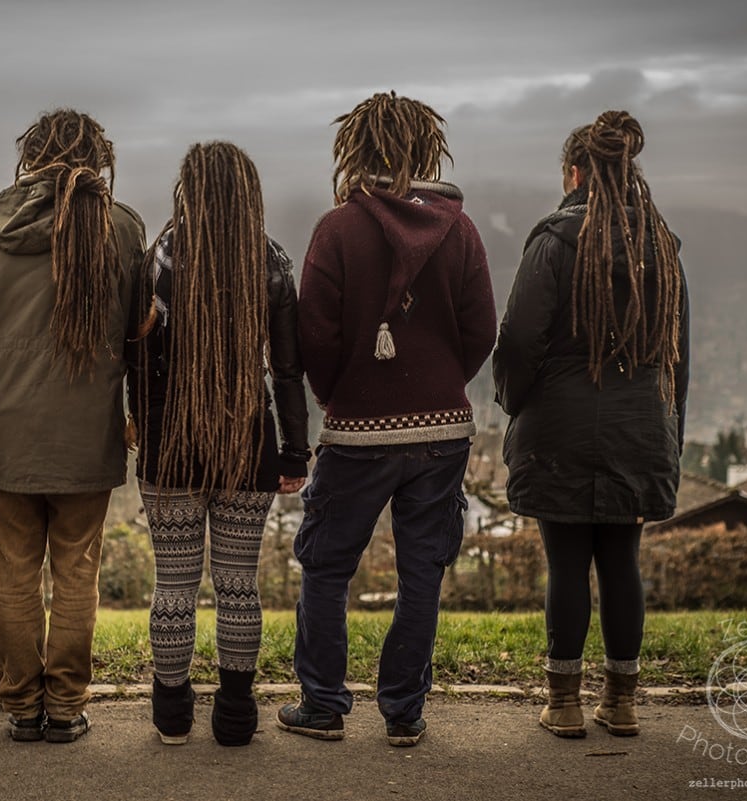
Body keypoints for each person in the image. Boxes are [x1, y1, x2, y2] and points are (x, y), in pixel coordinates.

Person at [279, 92, 497, 747]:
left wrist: (339, 395)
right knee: (421, 571)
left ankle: (323, 704)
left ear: (356, 148)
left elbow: (312, 334)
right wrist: (440, 382)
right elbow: (481, 329)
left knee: (325, 565)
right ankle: (404, 711)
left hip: (359, 432)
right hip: (443, 432)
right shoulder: (460, 230)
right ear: (427, 147)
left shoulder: (338, 229)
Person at [492, 110, 690, 738]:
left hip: (560, 432)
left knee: (567, 563)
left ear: (574, 173)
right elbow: (678, 356)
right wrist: (668, 432)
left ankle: (565, 703)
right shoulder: (661, 246)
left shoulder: (554, 241)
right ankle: (624, 702)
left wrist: (514, 401)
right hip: (640, 428)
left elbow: (520, 338)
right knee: (622, 561)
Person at [0, 109, 146, 743]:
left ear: (30, 154)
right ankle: (64, 708)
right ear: (98, 157)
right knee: (75, 572)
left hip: (3, 434)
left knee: (15, 572)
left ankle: (20, 707)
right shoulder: (120, 229)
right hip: (84, 433)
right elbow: (134, 331)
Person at [128, 141, 310, 747]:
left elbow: (137, 361)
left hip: (172, 446)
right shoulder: (272, 261)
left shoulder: (159, 258)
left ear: (188, 190)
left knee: (174, 585)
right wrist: (294, 452)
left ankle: (172, 715)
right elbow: (288, 371)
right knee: (238, 585)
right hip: (245, 441)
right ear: (246, 193)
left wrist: (143, 437)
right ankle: (235, 716)